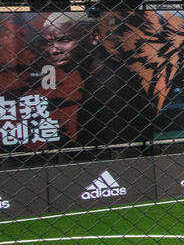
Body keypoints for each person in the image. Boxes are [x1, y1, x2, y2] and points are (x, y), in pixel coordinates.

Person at [39, 12, 155, 147]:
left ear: (94, 37)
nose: (53, 50)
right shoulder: (99, 77)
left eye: (64, 40)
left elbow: (116, 147)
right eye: (49, 42)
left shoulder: (111, 83)